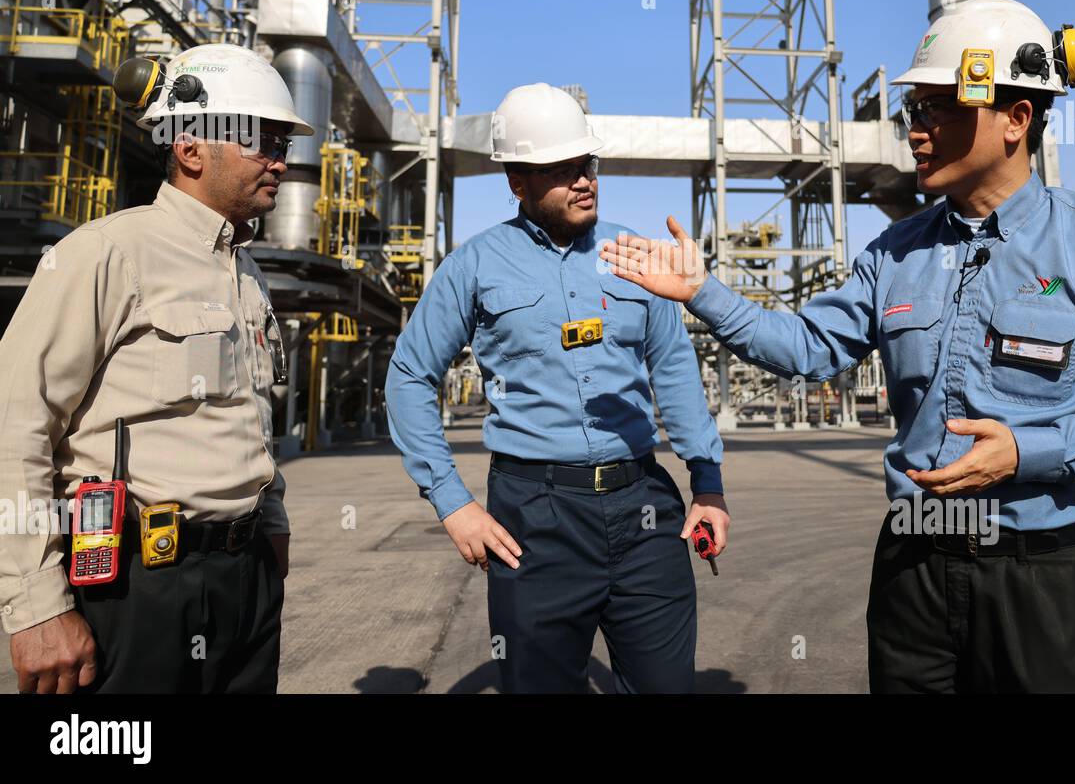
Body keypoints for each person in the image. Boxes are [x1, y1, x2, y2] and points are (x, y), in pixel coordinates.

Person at [600, 0, 1075, 692]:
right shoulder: (895, 252)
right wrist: (704, 292)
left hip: (1046, 572)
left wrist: (1027, 450)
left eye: (937, 110)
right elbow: (806, 346)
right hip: (914, 567)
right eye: (911, 114)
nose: (915, 133)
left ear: (1017, 118)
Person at [386, 82, 729, 693]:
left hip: (643, 506)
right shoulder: (475, 265)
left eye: (587, 164)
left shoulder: (634, 256)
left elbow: (674, 368)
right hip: (534, 518)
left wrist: (708, 484)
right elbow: (411, 375)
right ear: (517, 182)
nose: (583, 180)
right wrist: (452, 502)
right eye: (561, 169)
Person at [0, 43, 310, 693]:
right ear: (192, 147)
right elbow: (14, 424)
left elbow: (249, 417)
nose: (281, 161)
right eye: (262, 140)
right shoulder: (107, 254)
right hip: (139, 587)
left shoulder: (246, 274)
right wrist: (35, 607)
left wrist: (271, 526)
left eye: (284, 141)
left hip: (246, 581)